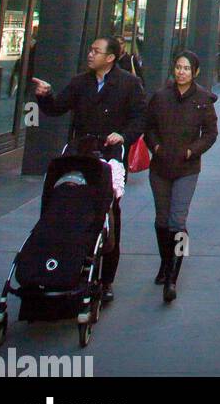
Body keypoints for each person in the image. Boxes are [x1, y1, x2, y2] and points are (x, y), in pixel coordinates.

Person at [31, 36, 145, 304]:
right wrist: (46, 97)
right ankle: (61, 266)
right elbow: (58, 108)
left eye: (96, 51)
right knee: (68, 207)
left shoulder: (129, 83)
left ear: (111, 57)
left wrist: (123, 135)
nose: (90, 54)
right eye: (90, 50)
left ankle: (106, 280)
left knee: (109, 215)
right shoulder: (80, 82)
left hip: (109, 157)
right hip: (81, 153)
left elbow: (140, 117)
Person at [144, 51, 217, 302]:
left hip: (187, 168)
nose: (181, 72)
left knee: (178, 220)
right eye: (178, 67)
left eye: (186, 68)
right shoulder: (160, 97)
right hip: (161, 167)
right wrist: (155, 147)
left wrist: (191, 151)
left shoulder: (204, 99)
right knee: (161, 221)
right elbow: (149, 128)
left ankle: (174, 275)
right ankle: (165, 262)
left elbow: (210, 134)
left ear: (195, 72)